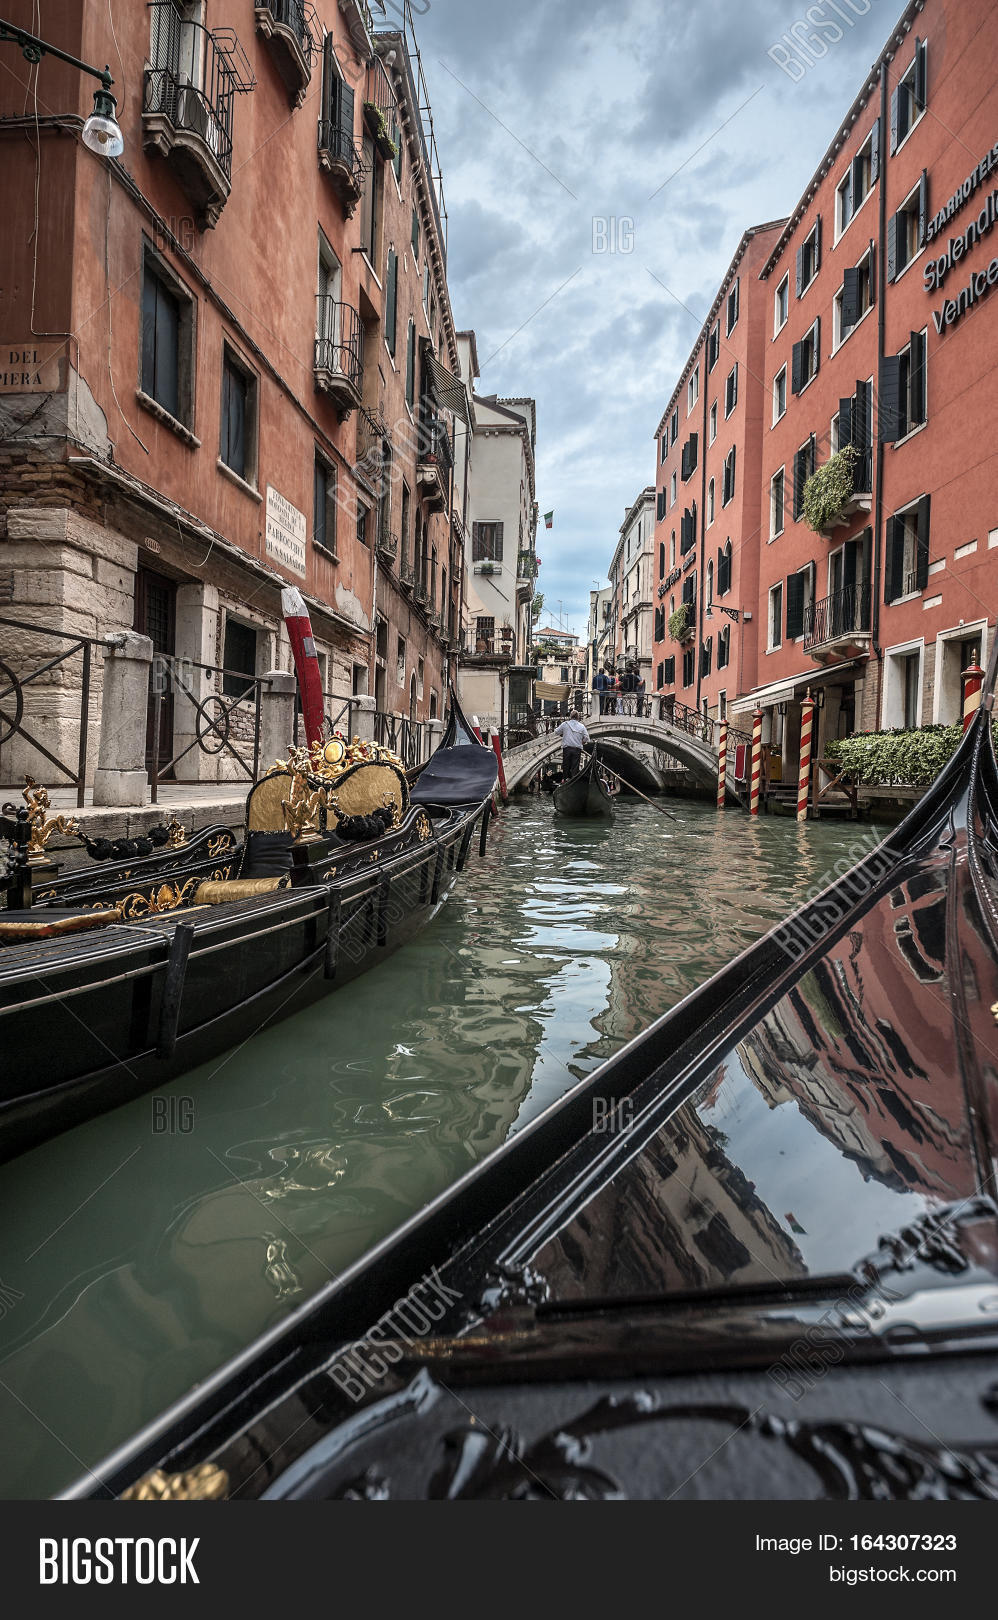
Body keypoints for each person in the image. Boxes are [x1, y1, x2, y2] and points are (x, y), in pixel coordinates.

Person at [555, 709, 590, 782]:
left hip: (567, 748)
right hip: (577, 749)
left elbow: (556, 732)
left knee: (566, 765)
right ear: (578, 717)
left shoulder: (565, 724)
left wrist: (563, 733)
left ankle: (565, 780)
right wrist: (582, 742)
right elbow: (586, 738)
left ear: (570, 717)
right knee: (575, 766)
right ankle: (573, 780)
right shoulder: (582, 726)